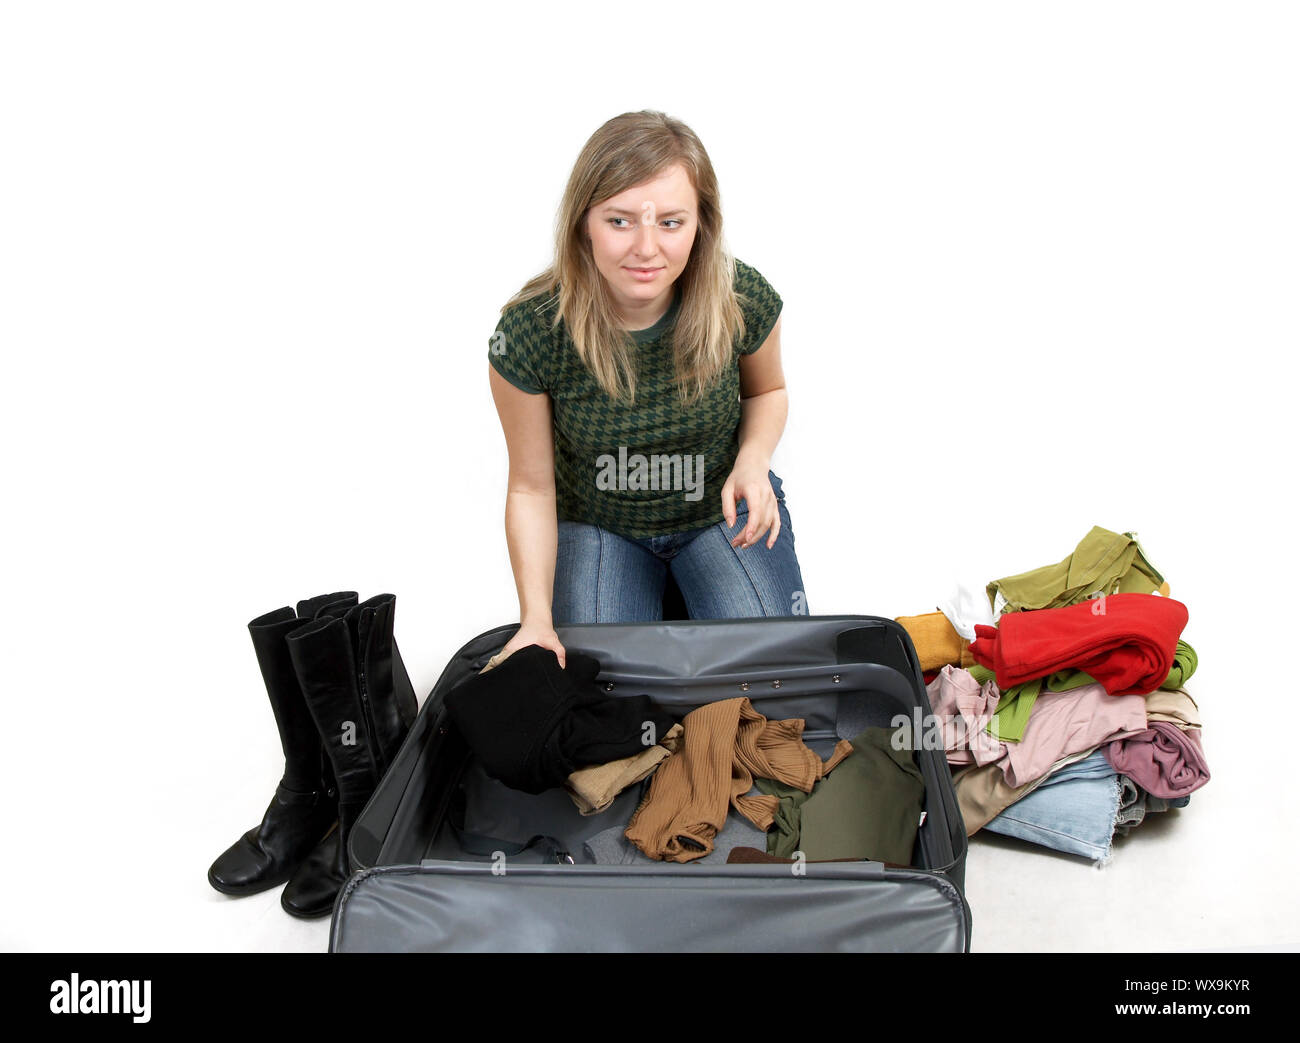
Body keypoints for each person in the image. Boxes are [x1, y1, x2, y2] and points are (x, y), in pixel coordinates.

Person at [487, 109, 808, 669]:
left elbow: (767, 392)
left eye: (669, 222)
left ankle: (694, 591)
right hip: (601, 523)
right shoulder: (530, 331)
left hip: (718, 511)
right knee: (605, 691)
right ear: (583, 222)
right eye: (619, 221)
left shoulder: (742, 297)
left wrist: (754, 462)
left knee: (771, 677)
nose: (645, 248)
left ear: (700, 224)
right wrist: (535, 619)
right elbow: (531, 490)